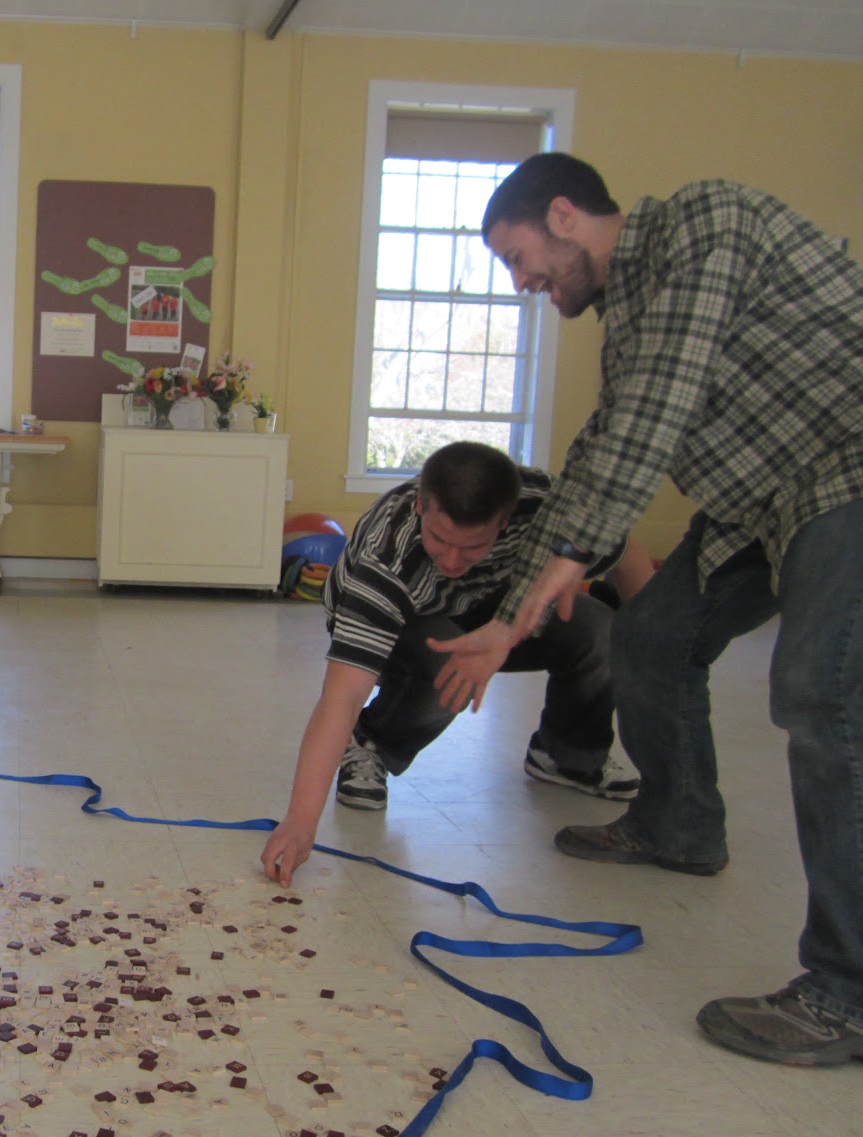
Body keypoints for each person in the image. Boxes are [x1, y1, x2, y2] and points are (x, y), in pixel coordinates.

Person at [436, 152, 863, 1066]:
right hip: (764, 500)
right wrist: (514, 610)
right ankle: (678, 825)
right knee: (656, 635)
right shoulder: (627, 315)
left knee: (822, 698)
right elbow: (603, 445)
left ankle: (847, 992)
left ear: (562, 214)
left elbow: (646, 426)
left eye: (520, 259)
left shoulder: (708, 223)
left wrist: (531, 599)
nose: (524, 286)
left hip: (849, 466)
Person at [261, 441, 649, 883]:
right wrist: (300, 821)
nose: (451, 560)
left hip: (491, 606)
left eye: (472, 547)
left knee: (602, 629)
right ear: (423, 505)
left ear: (505, 521)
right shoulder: (385, 556)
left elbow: (623, 550)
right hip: (403, 619)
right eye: (440, 540)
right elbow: (343, 695)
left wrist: (655, 648)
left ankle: (567, 754)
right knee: (444, 664)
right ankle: (372, 743)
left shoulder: (549, 508)